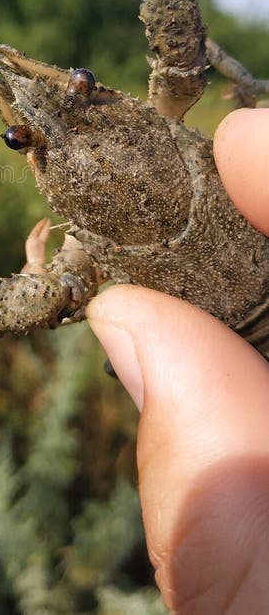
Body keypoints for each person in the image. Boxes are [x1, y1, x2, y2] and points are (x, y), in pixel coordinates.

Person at [24, 108, 269, 613]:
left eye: (81, 87)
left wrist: (37, 275)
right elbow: (181, 65)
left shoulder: (79, 259)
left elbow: (46, 301)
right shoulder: (163, 106)